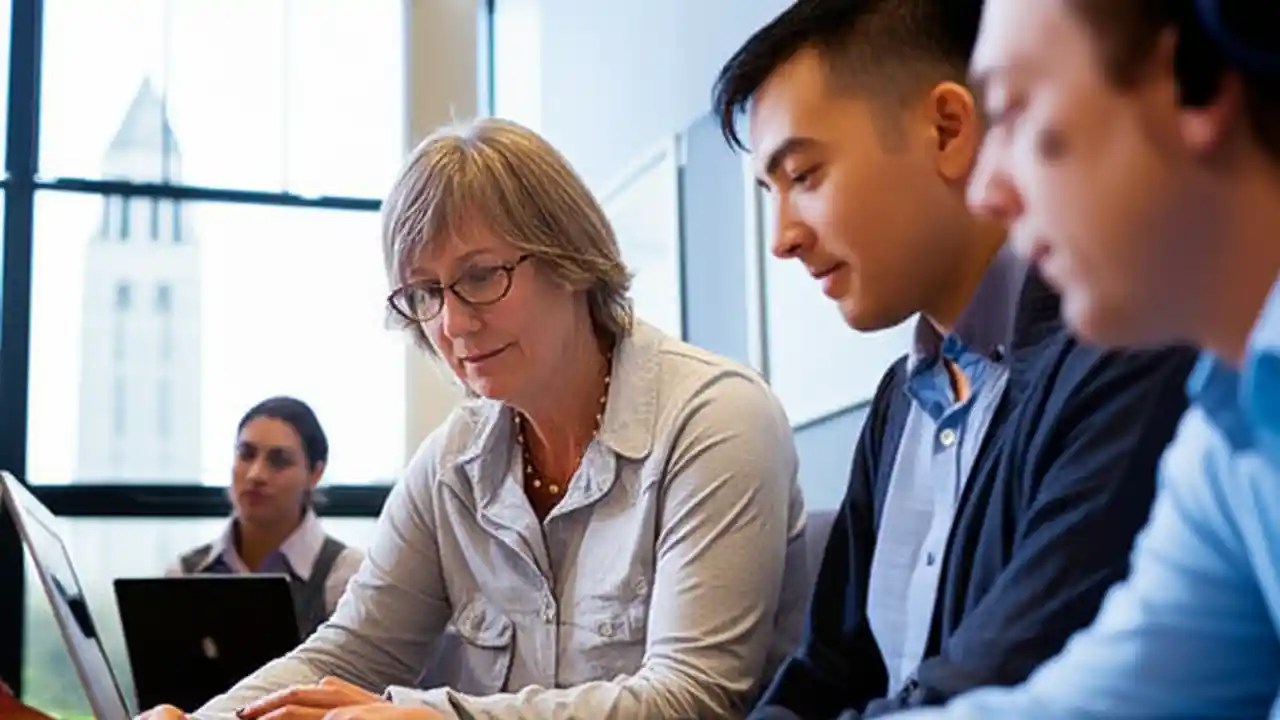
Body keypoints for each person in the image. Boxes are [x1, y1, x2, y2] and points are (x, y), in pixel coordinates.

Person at [139, 118, 807, 720]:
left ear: (570, 259)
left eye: (482, 276)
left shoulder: (717, 419)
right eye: (425, 294)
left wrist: (439, 719)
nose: (452, 324)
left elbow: (692, 699)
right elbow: (350, 652)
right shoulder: (450, 462)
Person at [711, 1, 1197, 717]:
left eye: (806, 176)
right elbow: (826, 669)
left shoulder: (1122, 351)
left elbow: (1003, 680)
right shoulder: (900, 402)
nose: (782, 237)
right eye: (770, 194)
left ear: (948, 130)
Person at [894, 1, 1280, 717]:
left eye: (1011, 111)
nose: (986, 191)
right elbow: (1093, 702)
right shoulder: (1230, 436)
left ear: (1190, 85)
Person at [169, 396, 363, 639]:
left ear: (315, 473)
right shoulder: (185, 573)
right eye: (246, 454)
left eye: (279, 461)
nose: (255, 474)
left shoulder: (347, 577)